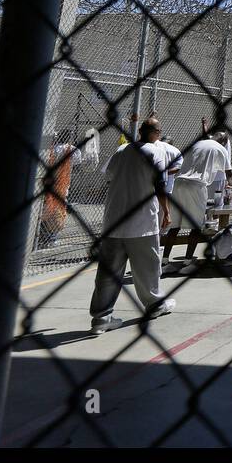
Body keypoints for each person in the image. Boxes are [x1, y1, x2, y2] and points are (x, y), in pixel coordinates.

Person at [90, 117, 175, 334]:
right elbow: (160, 183)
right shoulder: (156, 152)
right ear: (156, 133)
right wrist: (166, 210)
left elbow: (108, 174)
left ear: (139, 131)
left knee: (108, 271)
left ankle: (101, 318)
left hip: (114, 220)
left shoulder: (123, 150)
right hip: (142, 221)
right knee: (148, 267)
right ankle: (155, 305)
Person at [171, 128, 232, 234]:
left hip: (178, 183)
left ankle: (167, 251)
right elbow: (229, 174)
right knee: (196, 228)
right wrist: (230, 189)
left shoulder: (196, 144)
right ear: (223, 142)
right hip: (196, 185)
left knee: (175, 227)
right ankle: (190, 251)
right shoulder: (221, 149)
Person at [38, 128, 84, 250]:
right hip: (63, 182)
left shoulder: (53, 149)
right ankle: (52, 237)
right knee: (58, 208)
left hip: (49, 180)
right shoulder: (74, 150)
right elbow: (77, 165)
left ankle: (43, 236)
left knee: (47, 207)